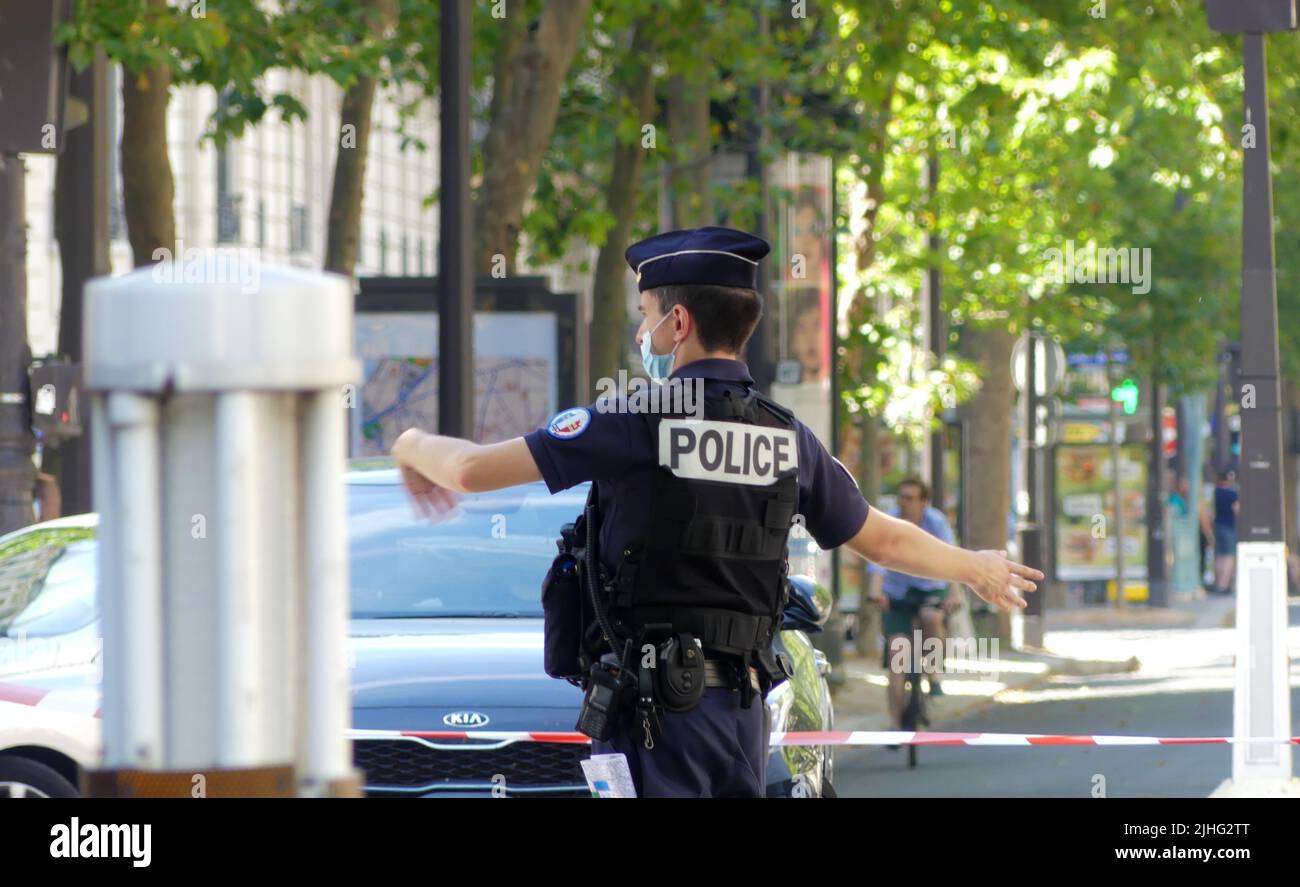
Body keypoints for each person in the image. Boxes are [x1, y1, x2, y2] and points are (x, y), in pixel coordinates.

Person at [390, 225, 1042, 798]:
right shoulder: (787, 439)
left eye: (646, 315)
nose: (642, 333)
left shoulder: (634, 419)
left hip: (654, 717)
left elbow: (473, 470)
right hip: (743, 713)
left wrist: (410, 443)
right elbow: (881, 539)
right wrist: (974, 565)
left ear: (679, 324)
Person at [865, 477, 963, 729]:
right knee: (897, 656)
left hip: (930, 588)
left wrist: (954, 593)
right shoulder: (890, 521)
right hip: (897, 594)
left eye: (910, 498)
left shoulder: (936, 522)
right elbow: (876, 561)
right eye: (901, 497)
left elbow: (951, 558)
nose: (904, 503)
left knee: (932, 618)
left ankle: (933, 675)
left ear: (924, 502)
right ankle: (896, 725)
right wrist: (876, 592)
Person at [1207, 470, 1239, 595]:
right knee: (1229, 556)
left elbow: (1211, 511)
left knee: (1219, 556)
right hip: (1229, 527)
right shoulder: (1232, 493)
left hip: (1217, 526)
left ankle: (1218, 583)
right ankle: (1224, 585)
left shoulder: (1216, 493)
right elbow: (1237, 509)